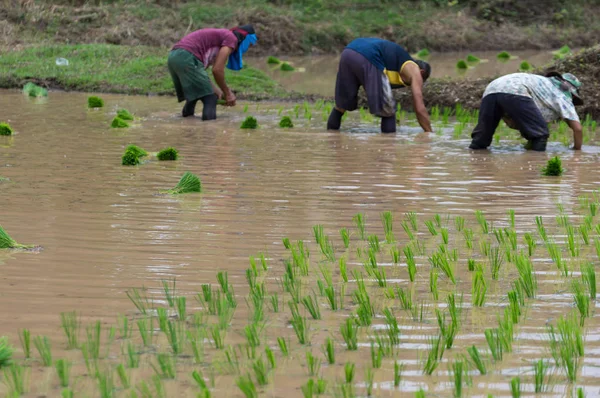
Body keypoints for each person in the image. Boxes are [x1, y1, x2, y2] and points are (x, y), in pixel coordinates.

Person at [327, 37, 432, 133]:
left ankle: (331, 137)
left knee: (341, 106)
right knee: (388, 112)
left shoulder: (397, 65)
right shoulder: (415, 70)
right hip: (369, 55)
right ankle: (387, 149)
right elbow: (419, 108)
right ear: (422, 72)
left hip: (348, 52)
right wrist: (429, 133)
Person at [469, 71, 584, 151]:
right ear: (571, 92)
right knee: (540, 136)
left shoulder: (543, 84)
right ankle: (533, 167)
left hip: (492, 88)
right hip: (516, 90)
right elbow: (577, 129)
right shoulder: (562, 96)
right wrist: (577, 151)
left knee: (481, 138)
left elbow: (519, 119)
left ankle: (476, 164)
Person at [168, 25, 257, 120]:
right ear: (244, 38)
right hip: (187, 56)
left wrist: (218, 92)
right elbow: (217, 70)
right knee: (210, 98)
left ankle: (188, 125)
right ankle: (209, 130)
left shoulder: (219, 40)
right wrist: (228, 93)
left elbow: (202, 77)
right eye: (249, 44)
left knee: (196, 94)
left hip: (174, 56)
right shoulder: (231, 39)